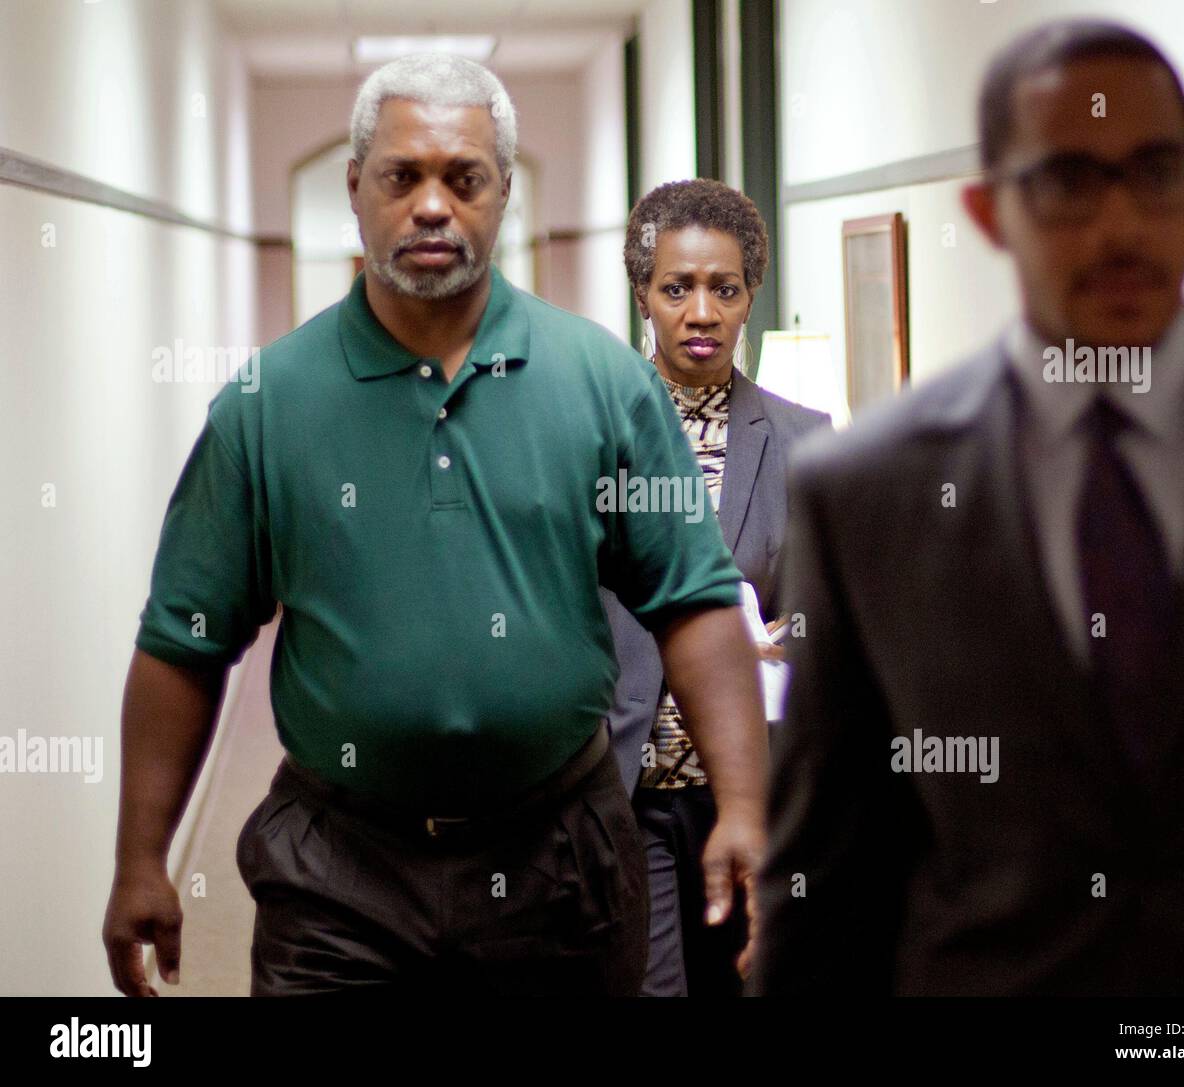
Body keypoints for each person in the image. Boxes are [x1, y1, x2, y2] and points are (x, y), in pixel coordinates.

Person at [102, 53, 768, 998]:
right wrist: (141, 856)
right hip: (339, 874)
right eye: (401, 176)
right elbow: (183, 640)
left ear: (504, 195)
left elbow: (695, 603)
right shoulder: (266, 403)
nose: (430, 206)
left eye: (464, 179)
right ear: (355, 188)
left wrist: (743, 806)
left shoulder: (602, 383)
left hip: (561, 863)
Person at [751, 19, 1184, 996]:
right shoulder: (870, 491)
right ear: (989, 208)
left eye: (1154, 172)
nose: (1120, 224)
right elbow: (828, 876)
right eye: (1068, 181)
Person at [604, 179, 830, 996]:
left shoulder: (806, 440)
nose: (701, 311)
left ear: (749, 298)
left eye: (723, 289)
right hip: (624, 787)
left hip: (747, 787)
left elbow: (829, 618)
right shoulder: (594, 433)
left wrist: (787, 633)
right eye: (677, 287)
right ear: (644, 296)